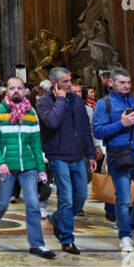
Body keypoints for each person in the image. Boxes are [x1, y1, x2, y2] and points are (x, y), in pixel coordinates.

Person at [0, 77, 54, 259]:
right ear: (6, 91)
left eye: (19, 88)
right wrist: (0, 162)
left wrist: (41, 168)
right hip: (5, 166)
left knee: (33, 203)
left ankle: (37, 244)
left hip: (27, 166)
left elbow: (36, 144)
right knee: (2, 203)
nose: (16, 91)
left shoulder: (31, 114)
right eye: (12, 88)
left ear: (24, 91)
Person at [92, 69, 134, 252]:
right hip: (119, 155)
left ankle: (130, 224)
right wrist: (121, 124)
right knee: (123, 199)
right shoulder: (103, 104)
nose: (127, 86)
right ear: (111, 83)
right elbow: (98, 131)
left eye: (129, 82)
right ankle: (125, 236)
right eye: (122, 82)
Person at [35, 67, 96, 254]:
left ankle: (57, 218)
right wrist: (60, 99)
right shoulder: (44, 102)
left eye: (70, 81)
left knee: (80, 197)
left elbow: (85, 128)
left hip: (78, 155)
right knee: (66, 200)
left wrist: (91, 153)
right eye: (66, 81)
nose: (70, 84)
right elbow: (52, 122)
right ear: (55, 84)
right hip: (58, 155)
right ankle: (67, 239)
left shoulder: (77, 100)